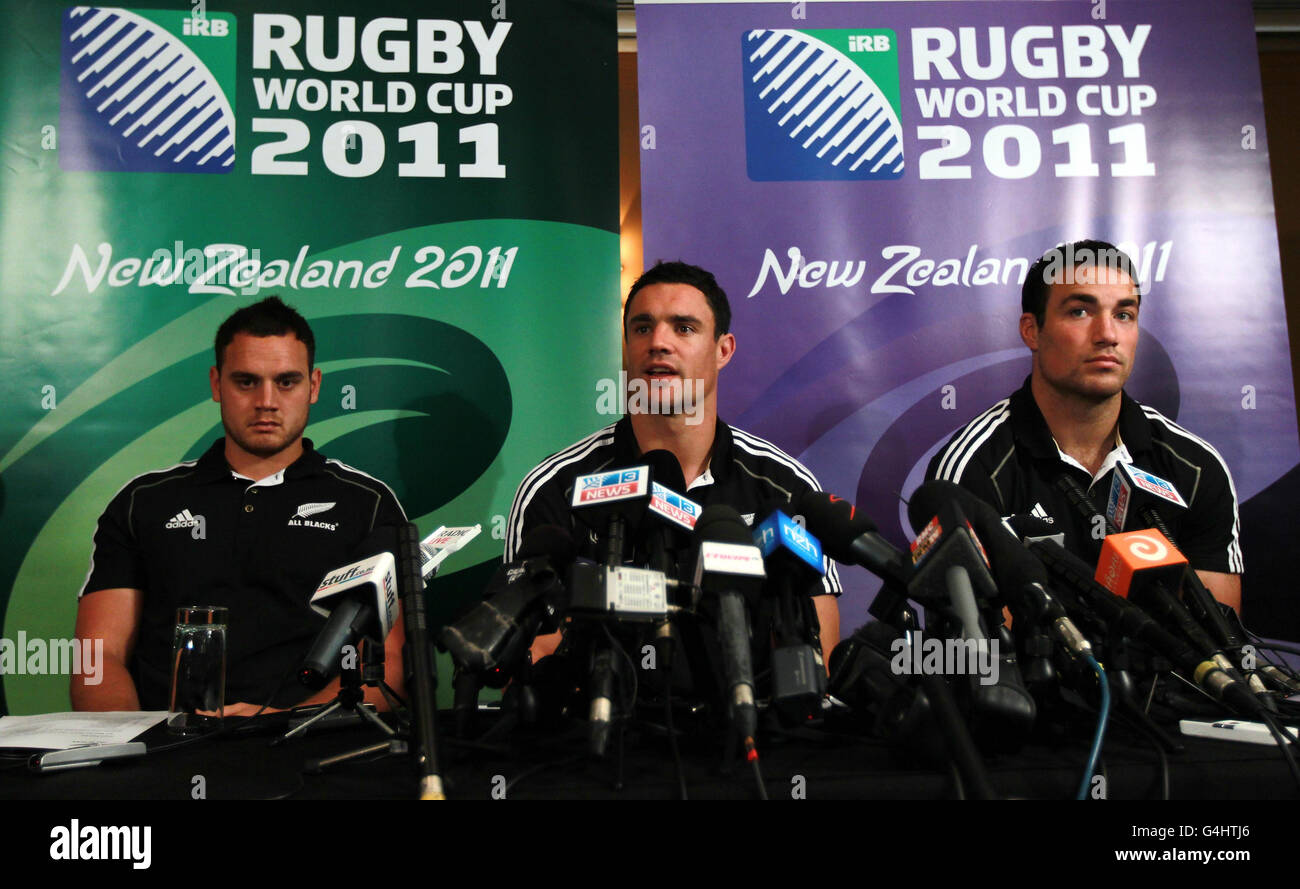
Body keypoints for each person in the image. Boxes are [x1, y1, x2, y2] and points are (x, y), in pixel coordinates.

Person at [73, 297, 408, 713]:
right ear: (216, 385)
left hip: (308, 756)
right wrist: (133, 751)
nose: (266, 401)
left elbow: (387, 667)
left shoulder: (367, 504)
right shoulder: (144, 502)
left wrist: (279, 723)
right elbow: (96, 658)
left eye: (286, 382)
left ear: (314, 385)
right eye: (246, 382)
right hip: (163, 755)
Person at [505, 261, 841, 667]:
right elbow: (530, 661)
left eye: (684, 328)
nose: (659, 342)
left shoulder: (786, 487)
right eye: (642, 328)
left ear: (723, 350)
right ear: (625, 347)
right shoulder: (556, 487)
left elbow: (818, 659)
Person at [927, 240, 1242, 611]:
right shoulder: (973, 467)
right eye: (1080, 311)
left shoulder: (1195, 465)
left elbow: (1220, 644)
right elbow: (984, 655)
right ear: (1031, 331)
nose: (1107, 334)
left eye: (1124, 315)